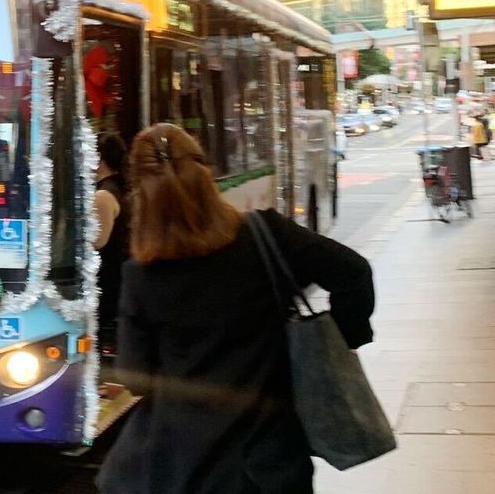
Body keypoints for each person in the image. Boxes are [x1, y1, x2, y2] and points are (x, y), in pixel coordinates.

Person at [97, 124, 375, 494]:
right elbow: (353, 273)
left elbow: (135, 375)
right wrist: (345, 339)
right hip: (269, 460)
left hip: (186, 466)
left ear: (141, 194)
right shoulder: (265, 235)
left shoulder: (141, 276)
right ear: (205, 173)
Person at [93, 133, 129, 355]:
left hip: (108, 282)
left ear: (98, 158)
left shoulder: (103, 195)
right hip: (120, 277)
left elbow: (97, 241)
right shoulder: (122, 188)